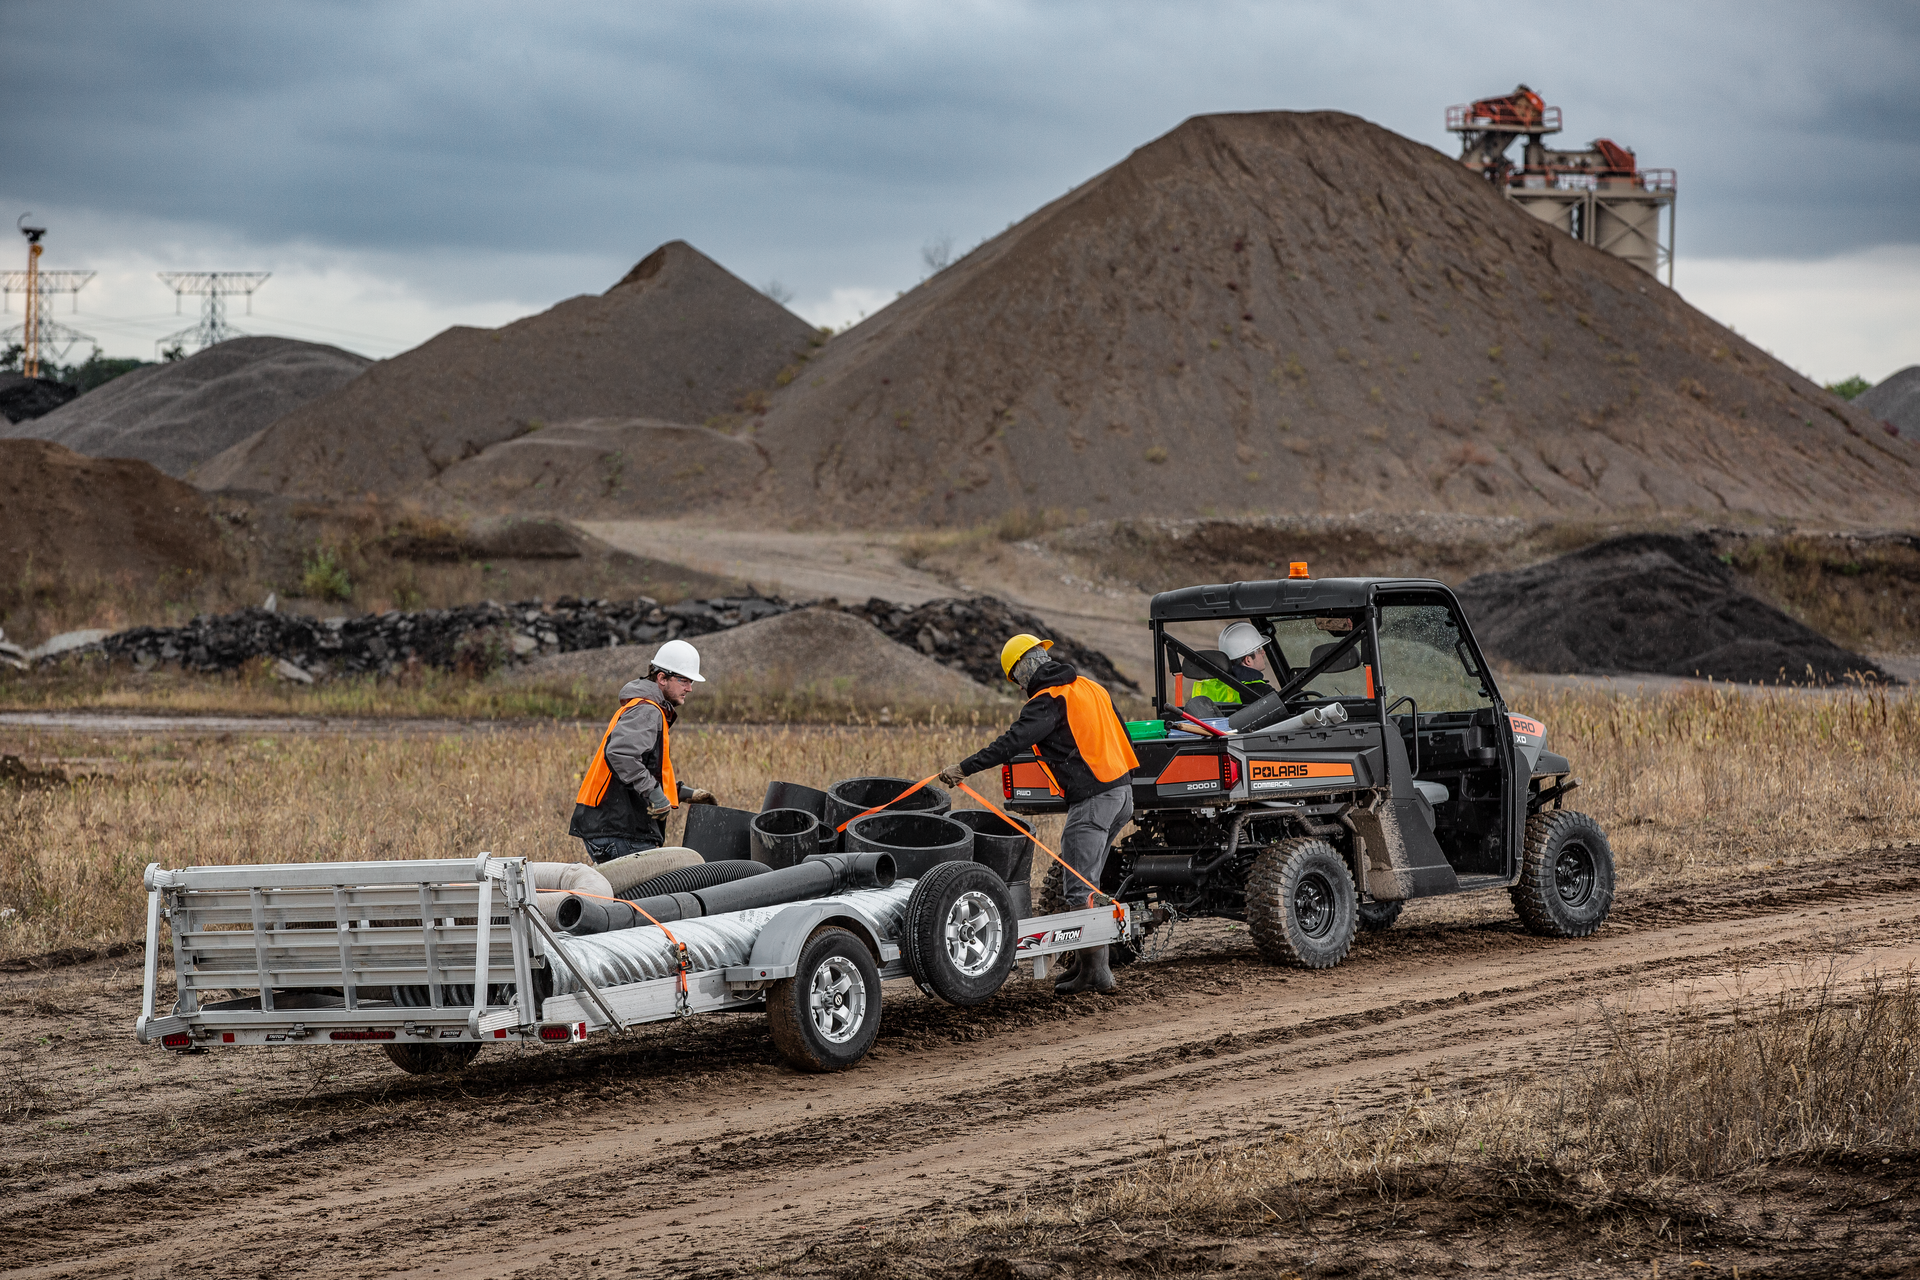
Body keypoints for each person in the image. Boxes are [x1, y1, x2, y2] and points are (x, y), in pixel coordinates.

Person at [938, 633, 1139, 995]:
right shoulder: (1091, 687)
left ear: (1022, 670)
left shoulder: (1048, 700)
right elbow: (1122, 733)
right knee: (1089, 882)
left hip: (1094, 800)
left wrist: (963, 768)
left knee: (1079, 889)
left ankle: (1097, 972)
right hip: (1122, 793)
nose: (1019, 687)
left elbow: (1010, 743)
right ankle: (1086, 964)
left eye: (1016, 680)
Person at [568, 638, 716, 864]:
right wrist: (656, 795)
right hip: (620, 829)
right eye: (684, 680)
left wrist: (681, 793)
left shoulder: (644, 707)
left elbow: (645, 766)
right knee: (647, 898)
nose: (690, 688)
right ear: (662, 678)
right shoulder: (647, 710)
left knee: (625, 897)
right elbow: (621, 755)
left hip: (610, 826)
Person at [1188, 621, 1272, 708]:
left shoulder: (1203, 687)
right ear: (1248, 660)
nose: (1263, 652)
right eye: (1259, 650)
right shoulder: (1258, 691)